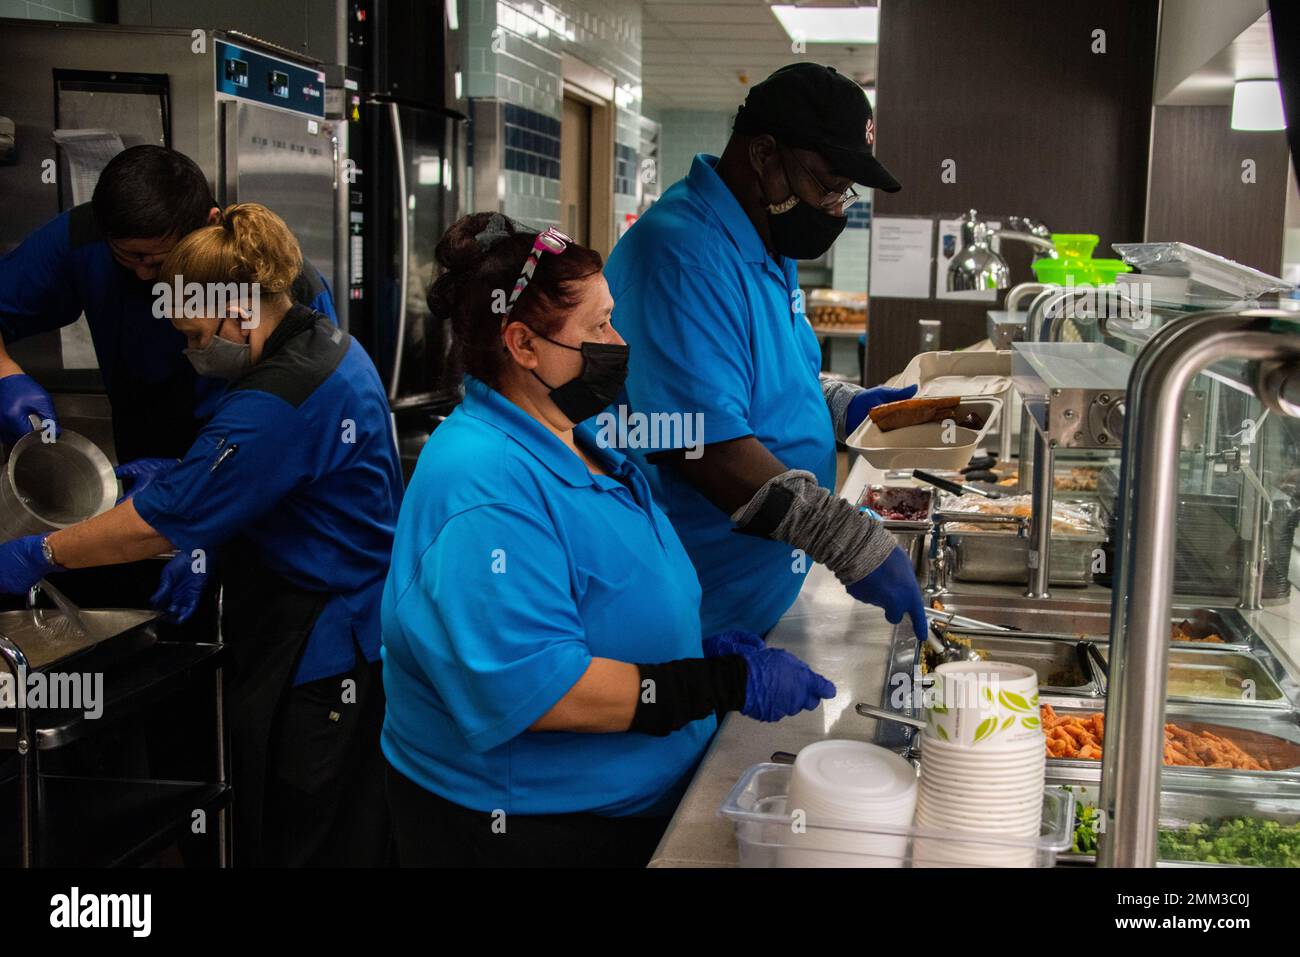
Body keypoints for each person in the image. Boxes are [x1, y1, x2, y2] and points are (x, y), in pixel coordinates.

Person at [380, 212, 835, 868]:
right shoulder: (485, 483)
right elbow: (544, 690)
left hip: (627, 803)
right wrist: (715, 681)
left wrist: (688, 648)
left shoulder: (576, 431)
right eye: (598, 327)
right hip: (530, 831)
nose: (618, 342)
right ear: (524, 344)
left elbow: (597, 596)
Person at [0, 204, 401, 866]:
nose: (189, 352)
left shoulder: (276, 398)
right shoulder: (319, 338)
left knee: (307, 839)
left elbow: (156, 526)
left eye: (192, 333)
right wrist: (191, 479)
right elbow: (251, 482)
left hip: (324, 647)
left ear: (237, 310)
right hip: (340, 623)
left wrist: (36, 553)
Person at [602, 62, 928, 644]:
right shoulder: (682, 257)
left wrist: (841, 406)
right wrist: (849, 543)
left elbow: (766, 377)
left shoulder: (763, 236)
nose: (835, 209)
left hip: (761, 595)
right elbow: (705, 449)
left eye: (842, 192)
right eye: (826, 185)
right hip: (697, 616)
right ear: (763, 154)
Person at [0, 144, 336, 463]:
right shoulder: (85, 238)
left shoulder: (285, 282)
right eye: (129, 258)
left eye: (160, 261)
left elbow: (319, 422)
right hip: (145, 472)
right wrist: (4, 374)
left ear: (210, 222)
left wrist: (192, 477)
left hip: (249, 476)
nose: (145, 275)